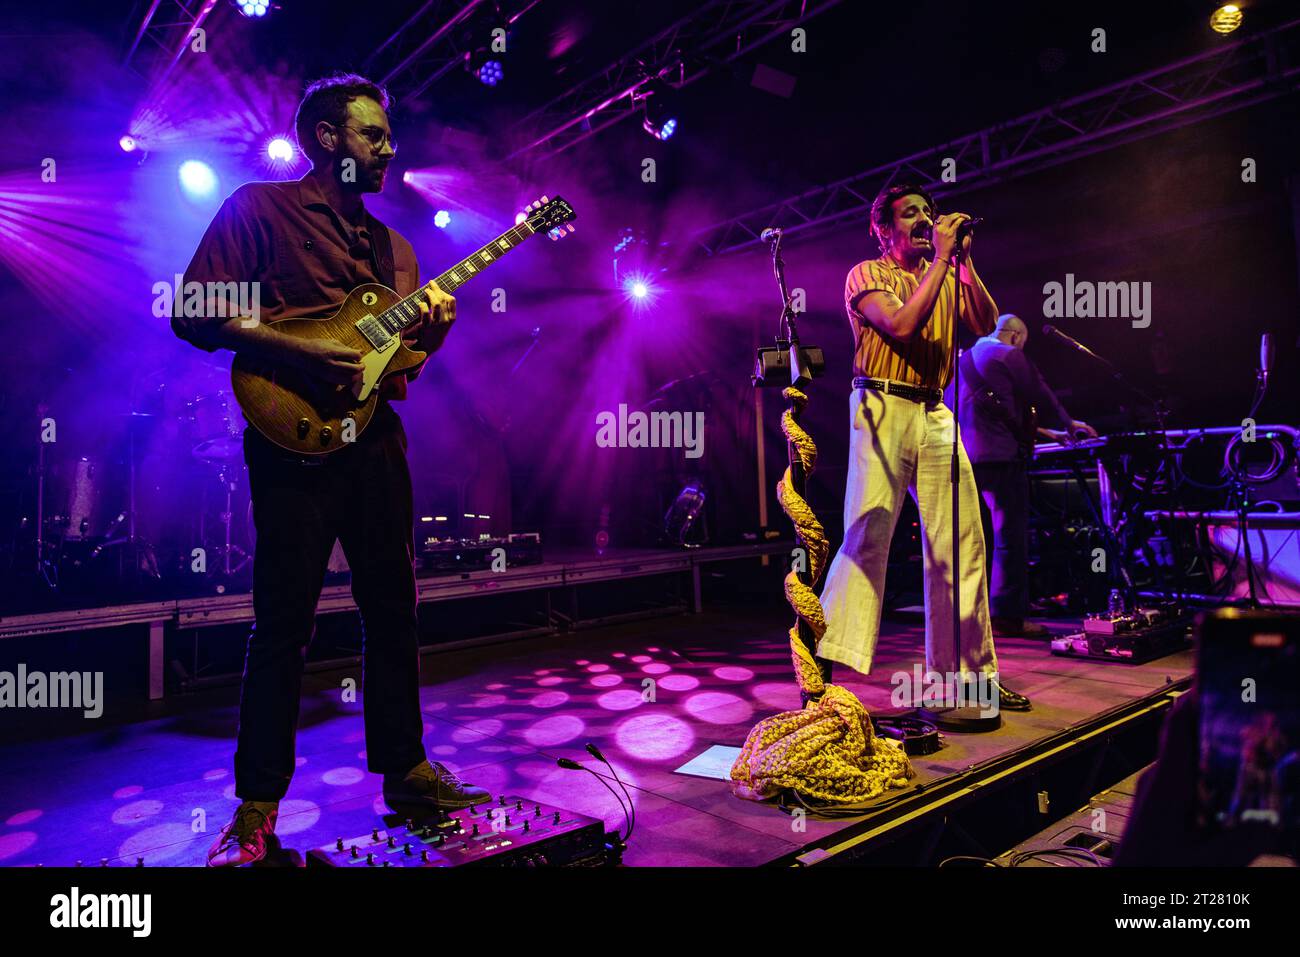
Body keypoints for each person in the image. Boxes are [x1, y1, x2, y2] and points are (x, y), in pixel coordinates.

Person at [171, 73, 489, 867]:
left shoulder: (397, 250)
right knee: (284, 622)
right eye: (372, 135)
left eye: (388, 137)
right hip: (290, 439)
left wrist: (436, 336)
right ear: (325, 138)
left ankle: (408, 770)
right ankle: (256, 806)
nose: (389, 150)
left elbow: (396, 366)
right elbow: (194, 310)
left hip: (375, 441)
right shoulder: (258, 209)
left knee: (396, 610)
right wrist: (304, 342)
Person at [816, 183, 1030, 713]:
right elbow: (904, 326)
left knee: (962, 543)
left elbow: (986, 325)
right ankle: (825, 666)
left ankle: (969, 681)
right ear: (882, 228)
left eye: (927, 213)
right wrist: (939, 262)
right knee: (869, 527)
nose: (923, 219)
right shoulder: (866, 275)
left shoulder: (945, 273)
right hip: (881, 405)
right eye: (909, 214)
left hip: (935, 410)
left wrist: (963, 262)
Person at [950, 314, 1096, 638]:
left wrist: (1050, 433)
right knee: (1009, 540)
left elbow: (992, 411)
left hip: (962, 458)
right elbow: (1039, 390)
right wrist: (1070, 423)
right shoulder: (1007, 354)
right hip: (1001, 459)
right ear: (1016, 336)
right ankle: (1007, 618)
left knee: (970, 541)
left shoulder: (962, 362)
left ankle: (966, 616)